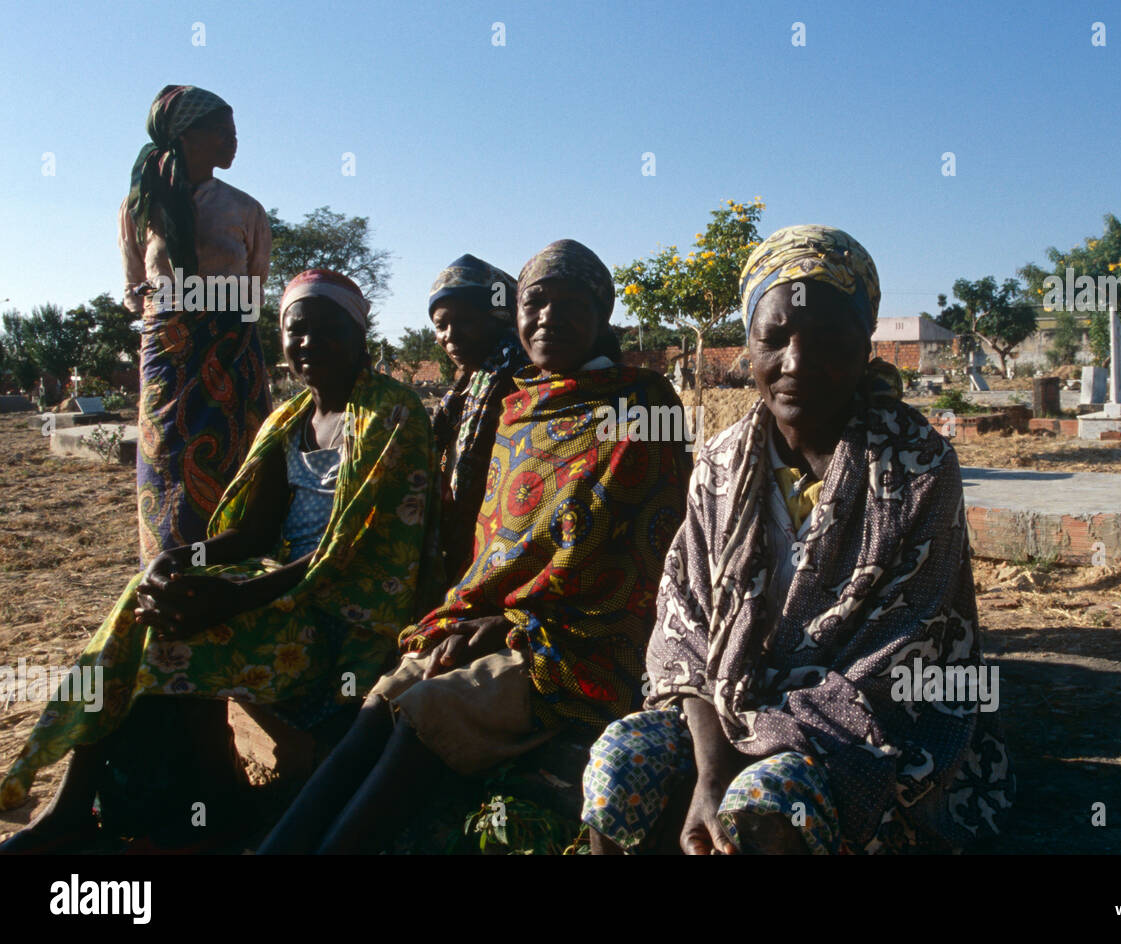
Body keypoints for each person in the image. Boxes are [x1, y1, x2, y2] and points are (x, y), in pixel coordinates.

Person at [581, 225, 1015, 855]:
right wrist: (711, 766)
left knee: (767, 806)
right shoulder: (722, 464)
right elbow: (684, 626)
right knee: (618, 770)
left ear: (867, 347)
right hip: (721, 711)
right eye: (774, 338)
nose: (796, 364)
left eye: (829, 341)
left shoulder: (919, 467)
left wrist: (753, 748)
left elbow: (899, 656)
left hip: (862, 725)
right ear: (748, 344)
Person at [259, 240, 690, 854]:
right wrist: (476, 613)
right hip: (490, 617)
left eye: (573, 305)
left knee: (431, 710)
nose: (549, 318)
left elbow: (640, 553)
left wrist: (514, 620)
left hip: (582, 641)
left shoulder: (642, 403)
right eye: (535, 302)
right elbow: (499, 545)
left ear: (602, 317)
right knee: (384, 697)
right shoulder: (521, 404)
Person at [0, 270, 438, 852]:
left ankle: (194, 806)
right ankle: (77, 805)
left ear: (361, 337)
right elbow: (253, 531)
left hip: (343, 613)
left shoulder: (392, 413)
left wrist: (231, 597)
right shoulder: (294, 418)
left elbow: (349, 548)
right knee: (144, 604)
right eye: (295, 331)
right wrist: (180, 558)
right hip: (278, 589)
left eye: (326, 330)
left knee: (169, 644)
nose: (308, 344)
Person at [119, 84, 273, 567]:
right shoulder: (141, 208)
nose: (233, 142)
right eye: (223, 133)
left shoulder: (245, 209)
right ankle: (169, 575)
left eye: (235, 133)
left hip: (231, 358)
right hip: (168, 363)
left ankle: (235, 572)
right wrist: (164, 304)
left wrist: (208, 309)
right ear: (188, 136)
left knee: (239, 462)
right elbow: (131, 292)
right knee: (167, 470)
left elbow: (253, 295)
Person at [426, 255, 529, 580]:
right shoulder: (461, 391)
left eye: (466, 320)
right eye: (441, 325)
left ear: (498, 319)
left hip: (504, 544)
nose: (451, 335)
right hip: (459, 536)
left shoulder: (521, 378)